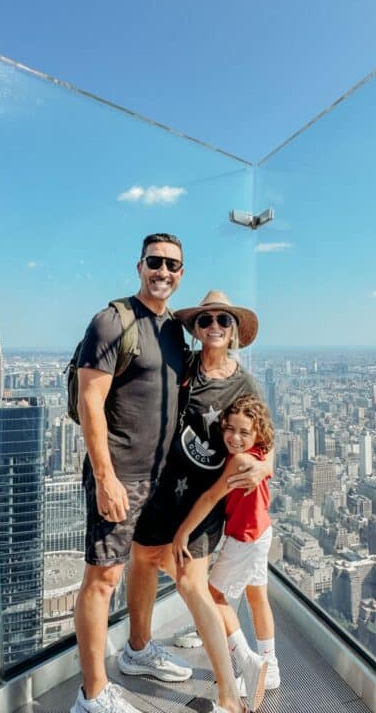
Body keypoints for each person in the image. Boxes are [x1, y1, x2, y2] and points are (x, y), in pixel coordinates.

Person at [130, 291, 273, 713]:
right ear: (196, 328)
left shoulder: (243, 383)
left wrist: (265, 468)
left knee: (192, 584)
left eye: (223, 321)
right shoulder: (184, 366)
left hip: (204, 502)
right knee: (141, 558)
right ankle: (137, 648)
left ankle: (230, 689)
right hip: (162, 489)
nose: (214, 327)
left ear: (233, 332)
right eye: (206, 320)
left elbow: (265, 435)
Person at [70, 233, 192, 713]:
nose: (164, 271)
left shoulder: (173, 332)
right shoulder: (111, 322)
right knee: (103, 577)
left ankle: (138, 650)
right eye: (156, 262)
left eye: (174, 265)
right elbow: (90, 403)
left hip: (162, 476)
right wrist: (105, 478)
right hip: (121, 474)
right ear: (140, 266)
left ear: (182, 274)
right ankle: (93, 693)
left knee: (145, 561)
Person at [172, 394, 280, 696]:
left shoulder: (241, 461)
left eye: (244, 432)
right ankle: (271, 667)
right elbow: (270, 447)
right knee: (258, 598)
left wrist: (183, 532)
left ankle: (248, 661)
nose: (234, 437)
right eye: (230, 429)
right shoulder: (259, 451)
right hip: (261, 533)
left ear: (257, 433)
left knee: (212, 594)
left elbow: (210, 498)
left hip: (245, 537)